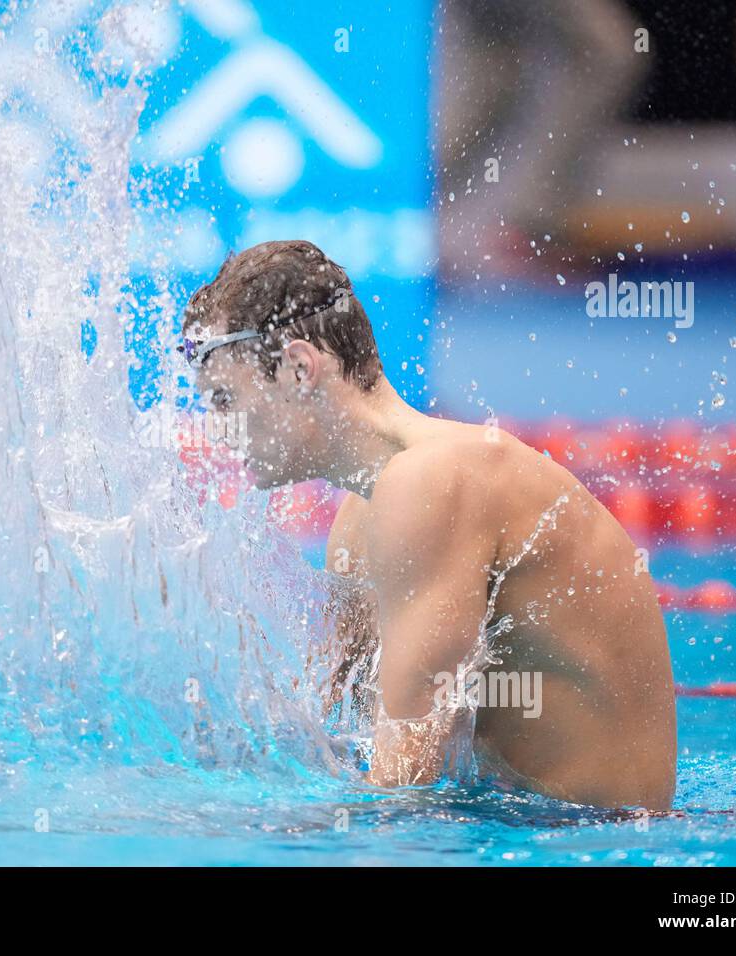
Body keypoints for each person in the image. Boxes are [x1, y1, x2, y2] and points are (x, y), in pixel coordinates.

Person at [182, 240, 676, 810]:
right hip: (515, 826)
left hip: (596, 842)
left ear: (298, 368)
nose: (218, 430)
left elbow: (403, 789)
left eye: (224, 399)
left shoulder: (433, 481)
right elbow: (335, 741)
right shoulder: (362, 515)